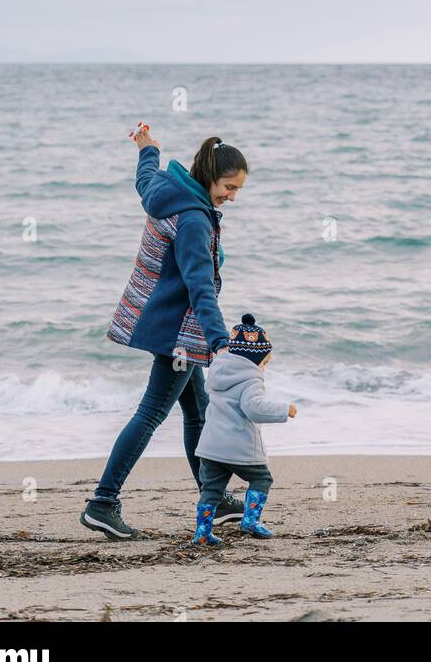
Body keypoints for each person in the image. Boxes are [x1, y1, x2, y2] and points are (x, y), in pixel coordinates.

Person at [80, 130, 249, 539]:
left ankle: (215, 496)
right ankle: (103, 502)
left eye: (238, 189)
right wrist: (219, 342)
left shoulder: (167, 189)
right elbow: (199, 286)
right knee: (152, 413)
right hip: (180, 332)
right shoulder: (192, 218)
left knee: (198, 411)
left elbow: (145, 179)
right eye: (229, 187)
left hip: (166, 323)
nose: (232, 196)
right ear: (210, 176)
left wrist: (146, 148)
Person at [192, 313, 296, 545]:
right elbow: (254, 408)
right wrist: (283, 410)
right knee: (262, 479)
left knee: (211, 490)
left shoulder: (217, 374)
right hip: (238, 447)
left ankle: (202, 533)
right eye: (265, 363)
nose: (264, 369)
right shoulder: (251, 380)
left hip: (210, 447)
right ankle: (249, 520)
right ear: (254, 359)